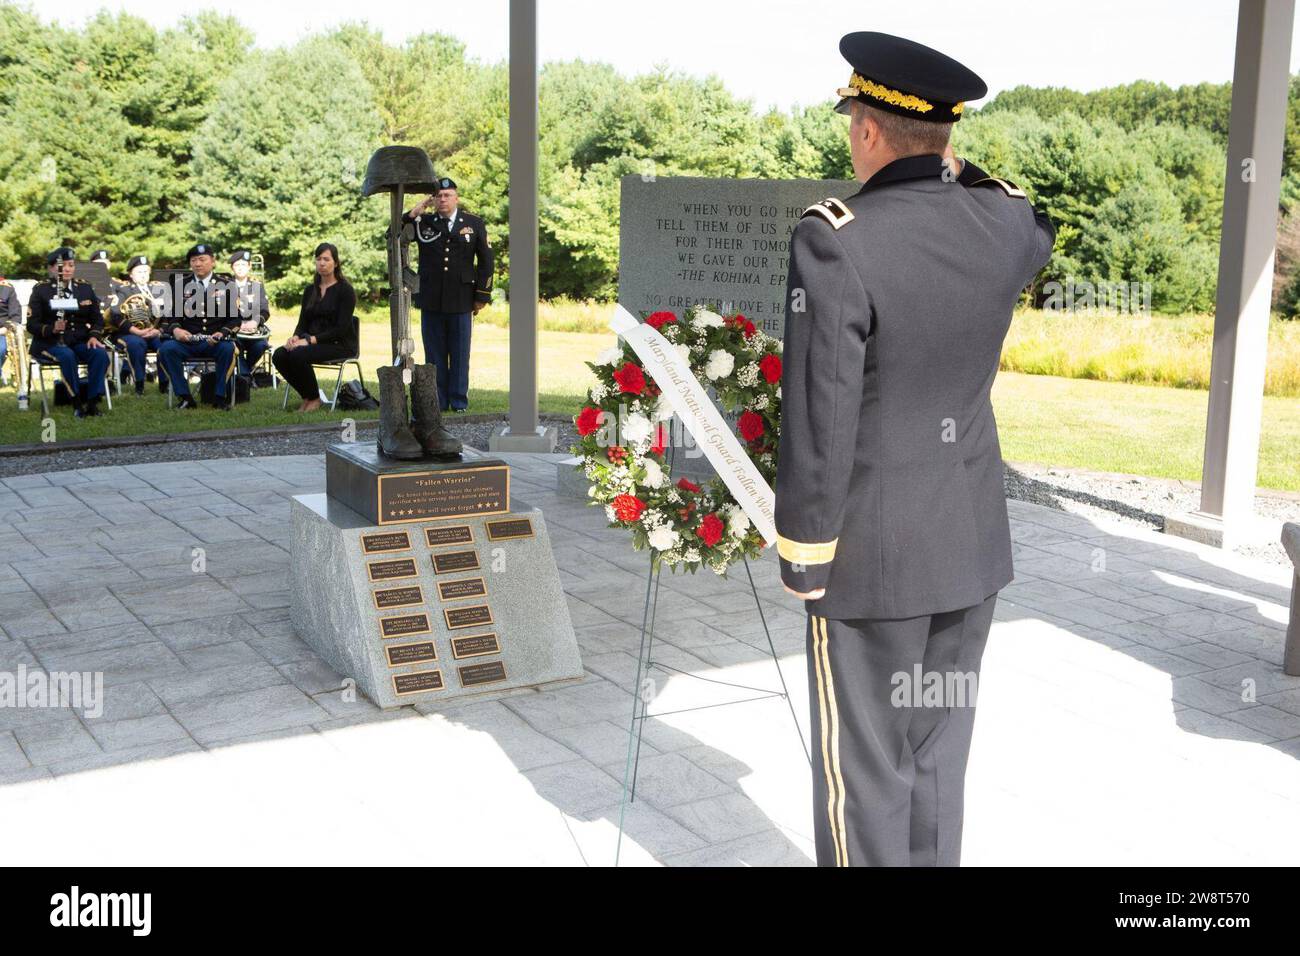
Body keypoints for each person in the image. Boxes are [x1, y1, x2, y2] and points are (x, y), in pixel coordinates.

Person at [773, 31, 1055, 867]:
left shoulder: (836, 239)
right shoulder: (1003, 226)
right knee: (936, 765)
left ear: (865, 129)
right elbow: (1033, 221)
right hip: (967, 555)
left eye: (852, 120)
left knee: (865, 780)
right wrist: (944, 163)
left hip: (869, 564)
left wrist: (805, 553)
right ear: (947, 134)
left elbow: (821, 414)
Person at [402, 176, 493, 412]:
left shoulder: (473, 223)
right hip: (431, 298)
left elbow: (486, 261)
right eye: (438, 196)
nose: (443, 199)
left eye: (447, 195)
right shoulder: (424, 222)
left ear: (456, 198)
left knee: (460, 353)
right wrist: (412, 214)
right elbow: (393, 235)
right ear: (433, 200)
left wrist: (482, 295)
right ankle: (438, 400)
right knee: (434, 354)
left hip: (461, 298)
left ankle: (459, 401)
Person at [271, 242, 357, 413]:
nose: (322, 263)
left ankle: (314, 398)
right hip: (312, 343)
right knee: (280, 354)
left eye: (326, 259)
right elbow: (303, 321)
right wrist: (295, 337)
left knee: (298, 354)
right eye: (318, 259)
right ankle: (307, 396)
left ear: (336, 263)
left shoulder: (345, 290)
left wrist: (309, 340)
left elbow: (341, 328)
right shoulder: (310, 290)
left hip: (340, 345)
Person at [26, 247, 110, 417]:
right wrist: (51, 328)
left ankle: (93, 402)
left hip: (77, 341)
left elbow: (97, 319)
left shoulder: (85, 288)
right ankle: (77, 402)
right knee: (67, 356)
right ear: (51, 268)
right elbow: (31, 325)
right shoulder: (41, 290)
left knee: (100, 354)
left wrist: (94, 336)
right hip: (49, 343)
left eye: (70, 265)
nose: (67, 269)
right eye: (61, 266)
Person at [157, 243, 238, 410]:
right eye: (194, 260)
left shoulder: (226, 285)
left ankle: (219, 397)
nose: (198, 264)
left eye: (202, 259)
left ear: (213, 261)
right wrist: (176, 330)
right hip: (188, 342)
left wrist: (221, 334)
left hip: (215, 341)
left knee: (228, 349)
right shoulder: (180, 285)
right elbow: (172, 316)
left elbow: (235, 320)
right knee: (166, 349)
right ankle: (185, 397)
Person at [109, 255, 169, 396]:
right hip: (129, 333)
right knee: (137, 344)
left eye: (145, 272)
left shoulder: (158, 288)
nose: (143, 275)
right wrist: (137, 331)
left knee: (166, 345)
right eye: (139, 272)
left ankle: (165, 383)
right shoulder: (124, 290)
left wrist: (159, 330)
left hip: (153, 332)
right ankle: (139, 384)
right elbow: (116, 315)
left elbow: (168, 314)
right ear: (131, 274)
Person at [229, 249, 271, 380]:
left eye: (243, 265)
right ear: (232, 268)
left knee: (262, 345)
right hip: (234, 332)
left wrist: (255, 322)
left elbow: (265, 310)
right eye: (237, 265)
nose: (240, 268)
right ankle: (245, 378)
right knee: (233, 345)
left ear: (249, 267)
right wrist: (238, 324)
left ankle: (244, 371)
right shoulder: (224, 286)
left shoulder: (257, 286)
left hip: (253, 332)